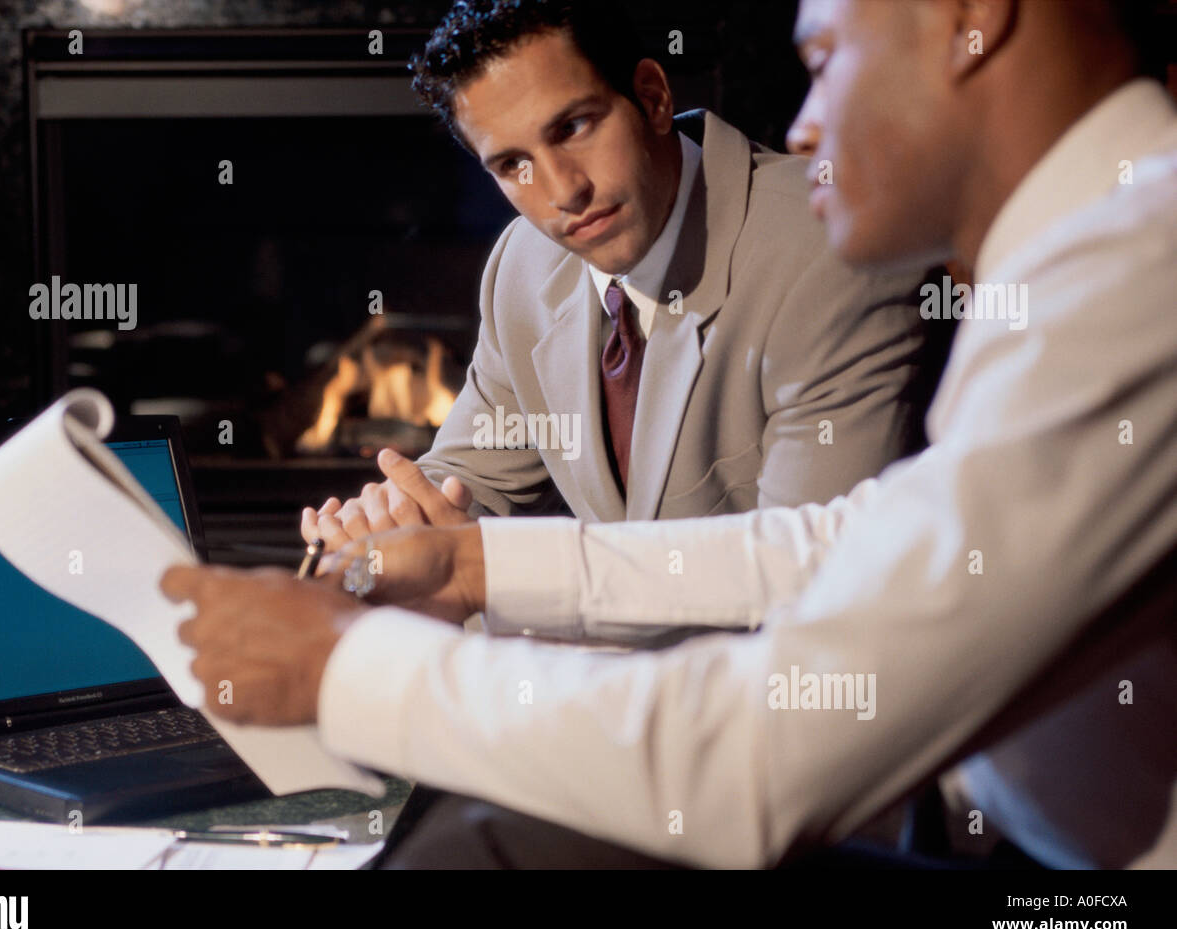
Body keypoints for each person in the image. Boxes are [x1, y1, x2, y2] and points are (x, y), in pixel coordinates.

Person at [162, 0, 1177, 868]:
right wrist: (467, 561)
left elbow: (762, 752)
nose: (808, 128)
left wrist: (346, 667)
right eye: (510, 162)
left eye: (821, 65)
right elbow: (837, 545)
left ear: (973, 16)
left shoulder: (1134, 272)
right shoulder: (1105, 251)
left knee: (485, 848)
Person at [302, 0, 946, 553]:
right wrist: (388, 523)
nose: (563, 191)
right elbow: (471, 478)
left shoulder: (829, 253)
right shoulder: (523, 264)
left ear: (653, 96)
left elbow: (808, 570)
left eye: (574, 127)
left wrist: (505, 578)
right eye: (511, 163)